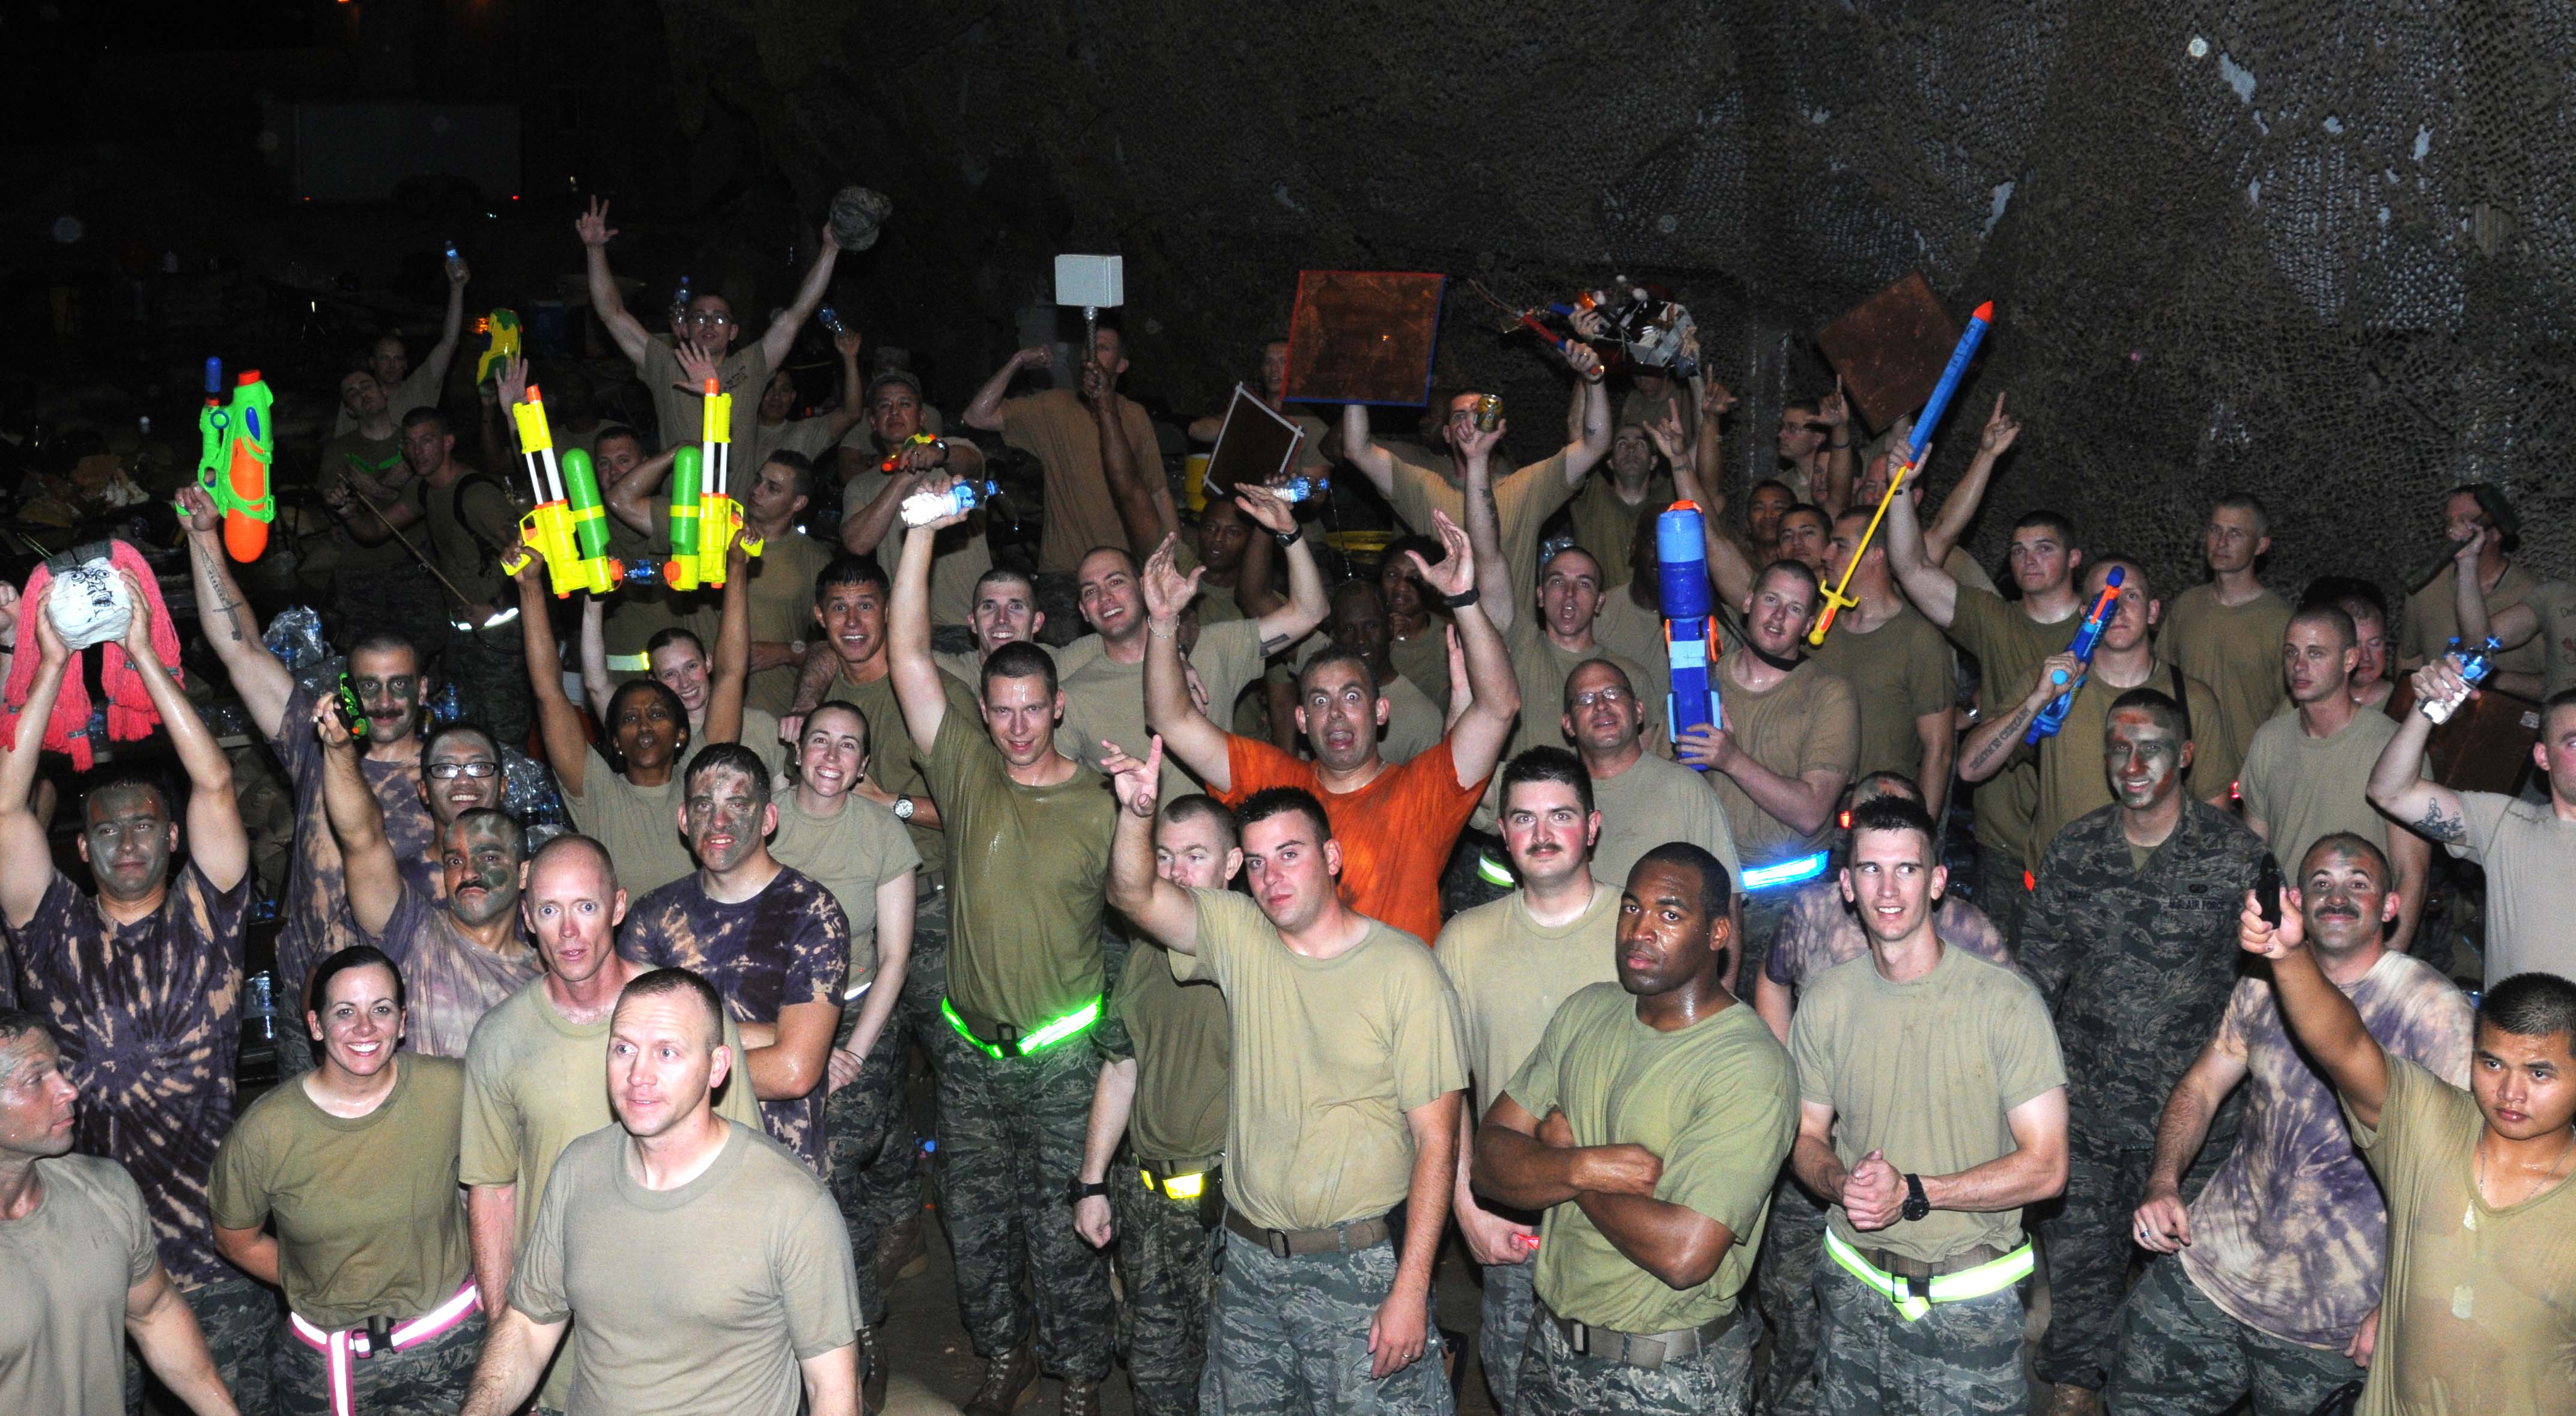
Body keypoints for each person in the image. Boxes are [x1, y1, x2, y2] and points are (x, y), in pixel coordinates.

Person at [1105, 758, 1469, 1416]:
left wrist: (1411, 1289)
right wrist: (1135, 814)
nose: (1271, 876)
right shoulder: (1239, 934)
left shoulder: (1404, 970)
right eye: (1255, 862)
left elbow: (1436, 1142)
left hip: (1357, 1268)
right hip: (1247, 1265)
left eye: (1289, 853)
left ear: (1331, 856)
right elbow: (1134, 895)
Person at [0, 576, 269, 1408]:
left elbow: (217, 783)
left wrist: (147, 656)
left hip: (212, 1255)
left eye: (145, 822)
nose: (125, 841)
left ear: (175, 835)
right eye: (106, 828)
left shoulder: (206, 917)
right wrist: (47, 668)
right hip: (84, 1256)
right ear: (80, 849)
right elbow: (8, 810)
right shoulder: (53, 931)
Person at [887, 485, 1122, 1416]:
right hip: (972, 1055)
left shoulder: (1100, 805)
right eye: (1003, 710)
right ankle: (1003, 1355)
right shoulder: (968, 771)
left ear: (1057, 707)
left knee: (1069, 1230)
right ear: (983, 711)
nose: (1018, 726)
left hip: (1065, 1058)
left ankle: (1080, 1381)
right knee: (978, 1231)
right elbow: (907, 654)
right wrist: (917, 537)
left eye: (1034, 709)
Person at [2109, 834, 2474, 1415]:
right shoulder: (2261, 980)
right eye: (2321, 883)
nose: (2337, 895)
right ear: (2296, 901)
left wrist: (2399, 1304)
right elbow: (2201, 1085)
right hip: (2214, 1265)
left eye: (2358, 882)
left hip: (2332, 1310)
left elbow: (2458, 1175)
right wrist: (2163, 1181)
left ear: (2389, 905)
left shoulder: (2432, 1009)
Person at [2011, 687, 2268, 1412]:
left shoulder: (2236, 857)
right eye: (2117, 747)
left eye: (2149, 746)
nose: (2131, 762)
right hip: (2086, 1111)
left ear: (2183, 755)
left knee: (2185, 1292)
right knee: (2082, 1269)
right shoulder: (2074, 848)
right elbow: (2036, 980)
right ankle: (2071, 1388)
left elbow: (2262, 993)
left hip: (2195, 1124)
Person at [1474, 843, 1798, 1416]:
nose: (1640, 930)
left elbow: (1684, 1253)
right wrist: (1583, 1165)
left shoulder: (1749, 1065)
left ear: (1718, 932)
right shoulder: (1586, 1013)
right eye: (1631, 908)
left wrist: (1564, 1164)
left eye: (1670, 915)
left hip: (1668, 1376)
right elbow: (1490, 1160)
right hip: (1550, 1347)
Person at [458, 968, 863, 1416]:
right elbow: (530, 1325)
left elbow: (832, 1389)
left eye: (666, 1051)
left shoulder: (792, 1205)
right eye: (623, 1049)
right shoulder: (579, 1169)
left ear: (717, 1068)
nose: (638, 1074)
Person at [184, 486, 488, 1072]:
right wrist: (203, 537)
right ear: (349, 688)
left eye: (399, 683)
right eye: (368, 685)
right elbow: (239, 646)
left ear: (423, 688)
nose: (384, 699)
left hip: (413, 1015)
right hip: (311, 1010)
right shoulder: (317, 742)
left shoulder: (452, 776)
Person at [2235, 892, 2576, 1412]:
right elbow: (2346, 1045)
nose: (2510, 1092)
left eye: (2539, 1072)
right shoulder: (2429, 1122)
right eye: (2492, 1064)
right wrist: (2290, 954)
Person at [458, 835, 762, 1416]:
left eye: (587, 907)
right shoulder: (499, 1040)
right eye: (550, 910)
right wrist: (505, 1338)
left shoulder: (691, 1016)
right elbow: (492, 1193)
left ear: (618, 907)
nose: (569, 932)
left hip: (682, 1340)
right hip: (555, 1345)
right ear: (527, 919)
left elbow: (743, 1174)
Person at [1787, 795, 2068, 1415]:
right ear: (1846, 884)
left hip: (1968, 1299)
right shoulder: (1827, 999)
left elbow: (2048, 1167)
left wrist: (1915, 1190)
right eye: (1870, 869)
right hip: (1853, 1290)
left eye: (1907, 869)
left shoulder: (2005, 1003)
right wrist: (1841, 1182)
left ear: (1937, 880)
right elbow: (1806, 1135)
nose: (1888, 889)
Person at [1748, 771, 2011, 1416]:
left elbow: (2006, 1038)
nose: (1885, 881)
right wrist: (1786, 1072)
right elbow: (1771, 978)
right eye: (1868, 824)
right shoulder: (1811, 911)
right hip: (1816, 1137)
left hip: (1903, 1145)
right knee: (1790, 1293)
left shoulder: (1967, 929)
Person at [1144, 509, 1517, 946]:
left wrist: (1464, 600)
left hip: (1394, 1009)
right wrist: (1163, 622)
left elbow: (1499, 707)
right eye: (1320, 700)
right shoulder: (1277, 787)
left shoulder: (1422, 794)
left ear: (1381, 712)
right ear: (1302, 720)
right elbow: (1171, 718)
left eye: (1352, 696)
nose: (1336, 713)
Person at [211, 947, 481, 1416]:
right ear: (315, 1025)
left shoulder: (450, 1088)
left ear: (402, 1021)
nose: (364, 1028)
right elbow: (235, 1237)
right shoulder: (267, 1130)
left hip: (447, 1348)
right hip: (328, 1362)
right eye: (344, 1012)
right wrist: (316, 1280)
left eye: (381, 1009)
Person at [1436, 749, 1624, 1411]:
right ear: (1503, 832)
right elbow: (1443, 1089)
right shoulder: (1462, 938)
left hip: (1623, 1220)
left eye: (1561, 815)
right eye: (1524, 817)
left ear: (1592, 826)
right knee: (1520, 1390)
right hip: (1511, 1219)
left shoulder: (1640, 928)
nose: (1542, 833)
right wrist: (1467, 1208)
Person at [767, 701, 919, 1408]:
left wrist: (851, 1051)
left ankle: (859, 1335)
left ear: (864, 764)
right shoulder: (760, 817)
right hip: (764, 1018)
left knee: (833, 1186)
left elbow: (893, 956)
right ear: (798, 749)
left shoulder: (881, 834)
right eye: (820, 739)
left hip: (856, 1013)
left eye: (849, 745)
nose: (832, 755)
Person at [1071, 795, 1242, 1416]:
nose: (1173, 872)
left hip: (1226, 1211)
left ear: (1233, 864)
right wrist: (1090, 1182)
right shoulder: (1143, 955)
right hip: (1147, 1203)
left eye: (1194, 856)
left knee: (1234, 1382)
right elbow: (1120, 1068)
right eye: (1162, 856)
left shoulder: (1252, 956)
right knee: (1155, 1375)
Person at [0, 1012, 242, 1416]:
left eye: (59, 1069)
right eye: (35, 1078)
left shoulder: (106, 1190)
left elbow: (156, 1312)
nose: (70, 1089)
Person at [623, 743, 849, 1174]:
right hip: (673, 1165)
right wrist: (769, 1034)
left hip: (780, 1164)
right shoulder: (653, 915)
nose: (719, 821)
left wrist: (676, 1057)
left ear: (767, 818)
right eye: (704, 804)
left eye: (737, 804)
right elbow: (626, 1052)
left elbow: (794, 1070)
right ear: (684, 819)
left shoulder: (812, 912)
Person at [1884, 450, 2080, 899]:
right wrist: (1899, 490)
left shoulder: (2106, 631)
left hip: (2080, 830)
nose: (2028, 560)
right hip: (2004, 834)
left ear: (2074, 558)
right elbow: (1912, 569)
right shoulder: (1994, 617)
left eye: (2044, 549)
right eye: (2018, 550)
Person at [1958, 556, 2228, 879]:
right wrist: (2037, 700)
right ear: (2085, 614)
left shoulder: (2191, 699)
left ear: (2153, 611)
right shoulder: (2049, 682)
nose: (2116, 608)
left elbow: (2215, 814)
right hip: (2058, 899)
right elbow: (1971, 768)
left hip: (2152, 901)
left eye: (2130, 596)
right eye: (2103, 600)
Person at [1059, 490, 1327, 801]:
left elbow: (1311, 612)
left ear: (1144, 586)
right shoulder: (1073, 694)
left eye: (1116, 582)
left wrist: (1289, 532)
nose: (1104, 598)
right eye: (1090, 591)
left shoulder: (1215, 648)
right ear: (1083, 612)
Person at [520, 539, 746, 898]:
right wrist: (530, 585)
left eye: (657, 714)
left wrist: (736, 568)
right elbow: (549, 692)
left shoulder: (703, 780)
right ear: (614, 741)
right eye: (628, 719)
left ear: (681, 735)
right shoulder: (597, 792)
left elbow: (732, 673)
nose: (644, 726)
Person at [319, 694, 539, 1059]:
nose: (470, 872)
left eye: (489, 856)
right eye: (454, 862)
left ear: (523, 873)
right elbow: (361, 836)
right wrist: (341, 749)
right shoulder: (415, 929)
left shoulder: (549, 957)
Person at [1675, 561, 1858, 971]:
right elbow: (1667, 781)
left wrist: (1731, 759)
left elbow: (1813, 812)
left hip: (1794, 903)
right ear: (1747, 601)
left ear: (1810, 622)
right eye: (1771, 600)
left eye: (1794, 609)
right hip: (1710, 897)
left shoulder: (1829, 694)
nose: (1777, 616)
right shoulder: (1702, 683)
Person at [1338, 326, 1612, 601]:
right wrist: (1357, 381)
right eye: (1460, 416)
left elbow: (1595, 445)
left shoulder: (1527, 485)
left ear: (1500, 427)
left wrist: (1595, 379)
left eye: (1480, 414)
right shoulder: (1424, 487)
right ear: (1447, 434)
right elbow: (1356, 449)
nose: (1470, 422)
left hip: (1514, 639)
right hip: (1449, 636)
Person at [577, 195, 842, 454]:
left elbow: (796, 315)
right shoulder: (664, 364)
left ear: (733, 331)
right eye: (699, 317)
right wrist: (595, 249)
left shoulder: (752, 365)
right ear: (685, 328)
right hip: (680, 499)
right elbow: (613, 313)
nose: (709, 324)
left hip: (736, 498)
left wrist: (830, 249)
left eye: (719, 318)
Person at [2238, 605, 2430, 954]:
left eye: (2315, 653)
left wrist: (2390, 970)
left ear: (2349, 660)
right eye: (2291, 652)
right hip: (2286, 941)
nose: (2299, 665)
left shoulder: (2392, 746)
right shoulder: (2269, 739)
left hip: (2360, 943)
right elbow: (2254, 858)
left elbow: (2411, 872)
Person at [2369, 673, 2576, 986]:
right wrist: (2429, 707)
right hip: (2519, 1033)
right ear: (2542, 757)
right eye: (2575, 743)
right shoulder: (2505, 825)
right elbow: (2390, 792)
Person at [967, 325, 1175, 571]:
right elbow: (977, 416)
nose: (1093, 355)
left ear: (1121, 365)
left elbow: (1158, 492)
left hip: (1121, 569)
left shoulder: (1135, 415)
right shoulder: (1053, 407)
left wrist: (1176, 562)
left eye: (1103, 348)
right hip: (1064, 570)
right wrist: (1018, 360)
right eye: (1089, 347)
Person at [1808, 505, 1960, 821]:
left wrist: (1921, 834)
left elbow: (1939, 751)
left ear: (1876, 555)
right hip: (1814, 810)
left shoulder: (1919, 639)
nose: (1826, 553)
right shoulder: (1819, 622)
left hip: (1883, 813)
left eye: (1841, 545)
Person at [400, 404, 530, 744]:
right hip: (459, 635)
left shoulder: (475, 494)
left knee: (505, 735)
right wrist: (348, 509)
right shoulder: (424, 490)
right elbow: (373, 529)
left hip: (499, 633)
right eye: (411, 443)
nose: (418, 451)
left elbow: (529, 553)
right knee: (465, 731)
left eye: (426, 441)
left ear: (448, 442)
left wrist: (495, 605)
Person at [1561, 658, 1741, 889]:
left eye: (1614, 693)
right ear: (1568, 724)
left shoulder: (1685, 788)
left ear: (1638, 711)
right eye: (1585, 699)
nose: (1601, 705)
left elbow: (1726, 901)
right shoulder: (1557, 799)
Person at [2155, 494, 2293, 793]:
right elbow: (2159, 681)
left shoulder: (2282, 622)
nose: (2222, 541)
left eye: (2236, 533)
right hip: (2183, 778)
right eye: (2215, 530)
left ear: (2261, 545)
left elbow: (2293, 708)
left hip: (2248, 782)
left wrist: (2261, 771)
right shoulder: (2187, 607)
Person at [839, 377, 994, 628]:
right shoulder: (861, 485)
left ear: (921, 417)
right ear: (873, 422)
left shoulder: (953, 450)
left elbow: (971, 462)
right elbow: (857, 544)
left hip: (972, 622)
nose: (895, 412)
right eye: (884, 406)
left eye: (905, 404)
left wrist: (939, 451)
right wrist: (903, 477)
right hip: (908, 628)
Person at [317, 370, 443, 653]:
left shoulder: (414, 442)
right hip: (360, 572)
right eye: (353, 392)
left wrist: (370, 488)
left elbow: (428, 499)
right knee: (364, 655)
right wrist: (340, 500)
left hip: (414, 565)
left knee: (422, 650)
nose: (362, 394)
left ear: (384, 393)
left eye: (367, 386)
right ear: (349, 409)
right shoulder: (339, 450)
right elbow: (331, 497)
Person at [580, 611, 788, 780]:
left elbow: (781, 800)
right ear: (654, 681)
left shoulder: (761, 724)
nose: (685, 682)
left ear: (708, 662)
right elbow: (596, 685)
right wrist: (594, 603)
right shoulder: (649, 735)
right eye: (670, 674)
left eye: (691, 666)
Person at [2396, 484, 2546, 696]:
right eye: (2450, 522)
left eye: (2467, 520)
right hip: (2435, 721)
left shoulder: (2534, 596)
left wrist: (2493, 679)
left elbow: (2556, 685)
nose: (2454, 529)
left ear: (2496, 533)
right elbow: (2409, 657)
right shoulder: (2425, 588)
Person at [1295, 580, 1445, 764]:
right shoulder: (1318, 673)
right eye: (1349, 629)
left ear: (1390, 626)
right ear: (1334, 637)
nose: (1361, 639)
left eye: (1371, 626)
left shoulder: (1422, 718)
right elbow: (1258, 601)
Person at [333, 257, 470, 436]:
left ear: (405, 364)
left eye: (398, 359)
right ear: (372, 362)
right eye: (385, 358)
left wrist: (457, 288)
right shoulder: (357, 397)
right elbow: (341, 450)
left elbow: (449, 342)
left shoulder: (419, 386)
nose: (392, 365)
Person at [1566, 422, 1674, 592]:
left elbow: (1695, 466)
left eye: (1640, 444)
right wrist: (1592, 393)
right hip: (1600, 615)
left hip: (1657, 614)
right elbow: (1577, 434)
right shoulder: (1591, 496)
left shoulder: (1669, 502)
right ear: (1610, 462)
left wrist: (1710, 417)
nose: (1631, 449)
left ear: (1653, 461)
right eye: (1622, 444)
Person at [748, 323, 867, 469]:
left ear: (793, 397)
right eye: (770, 389)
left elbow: (852, 414)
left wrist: (850, 358)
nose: (776, 397)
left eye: (784, 390)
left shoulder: (804, 433)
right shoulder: (740, 430)